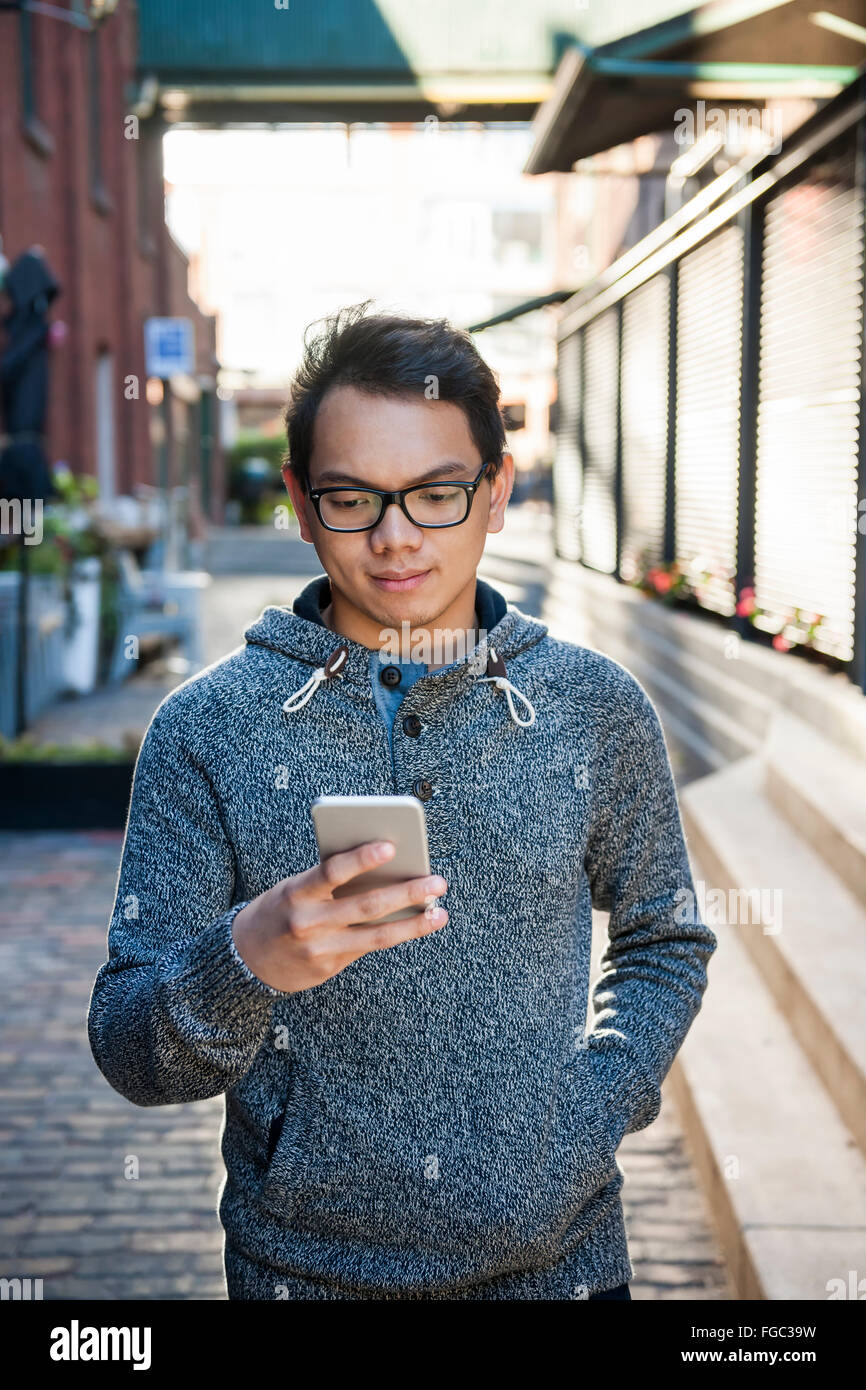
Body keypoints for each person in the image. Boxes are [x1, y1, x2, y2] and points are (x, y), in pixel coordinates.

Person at [87, 301, 717, 1301]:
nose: (393, 538)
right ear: (299, 502)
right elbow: (129, 1044)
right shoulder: (204, 729)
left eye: (434, 494)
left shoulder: (594, 709)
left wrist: (593, 1102)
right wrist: (243, 960)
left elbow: (665, 936)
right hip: (300, 1276)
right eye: (350, 498)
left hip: (559, 1272)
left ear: (496, 489)